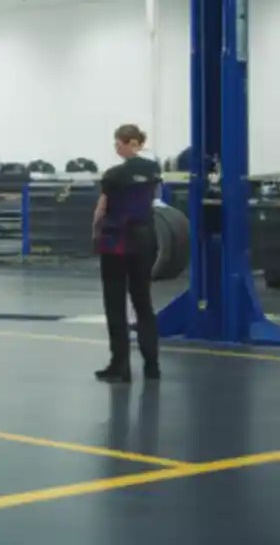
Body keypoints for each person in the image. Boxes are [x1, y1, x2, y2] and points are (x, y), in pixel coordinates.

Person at [93, 124, 161, 383]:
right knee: (143, 302)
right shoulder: (153, 170)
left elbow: (102, 208)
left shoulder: (113, 175)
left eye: (117, 142)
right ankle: (152, 365)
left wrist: (95, 232)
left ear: (128, 142)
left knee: (115, 302)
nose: (116, 147)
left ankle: (119, 365)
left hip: (116, 242)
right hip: (145, 239)